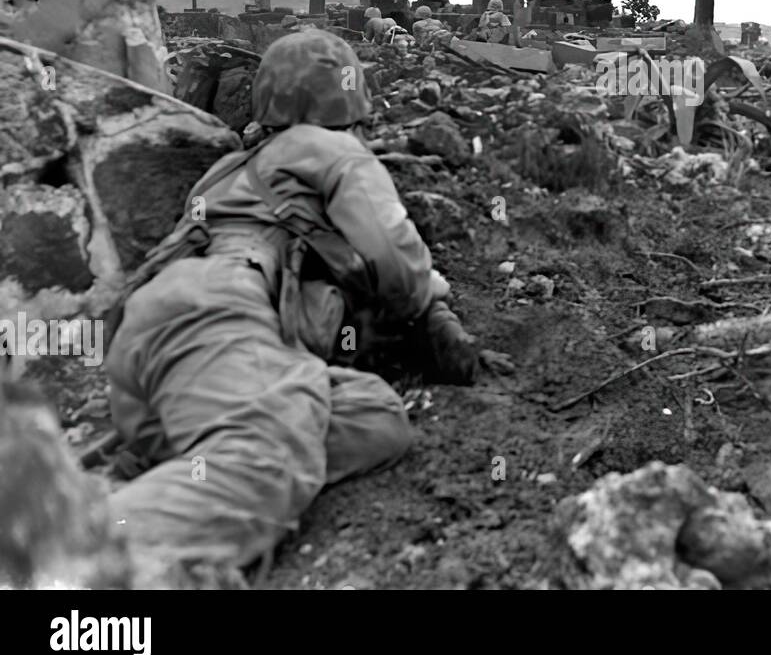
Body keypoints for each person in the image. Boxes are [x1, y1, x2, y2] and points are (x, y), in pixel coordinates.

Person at [103, 29, 492, 586]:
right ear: (351, 103)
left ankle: (179, 480)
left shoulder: (233, 169)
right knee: (260, 465)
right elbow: (398, 266)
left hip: (152, 348)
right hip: (219, 320)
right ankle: (70, 556)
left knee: (379, 420)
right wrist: (433, 299)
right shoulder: (333, 150)